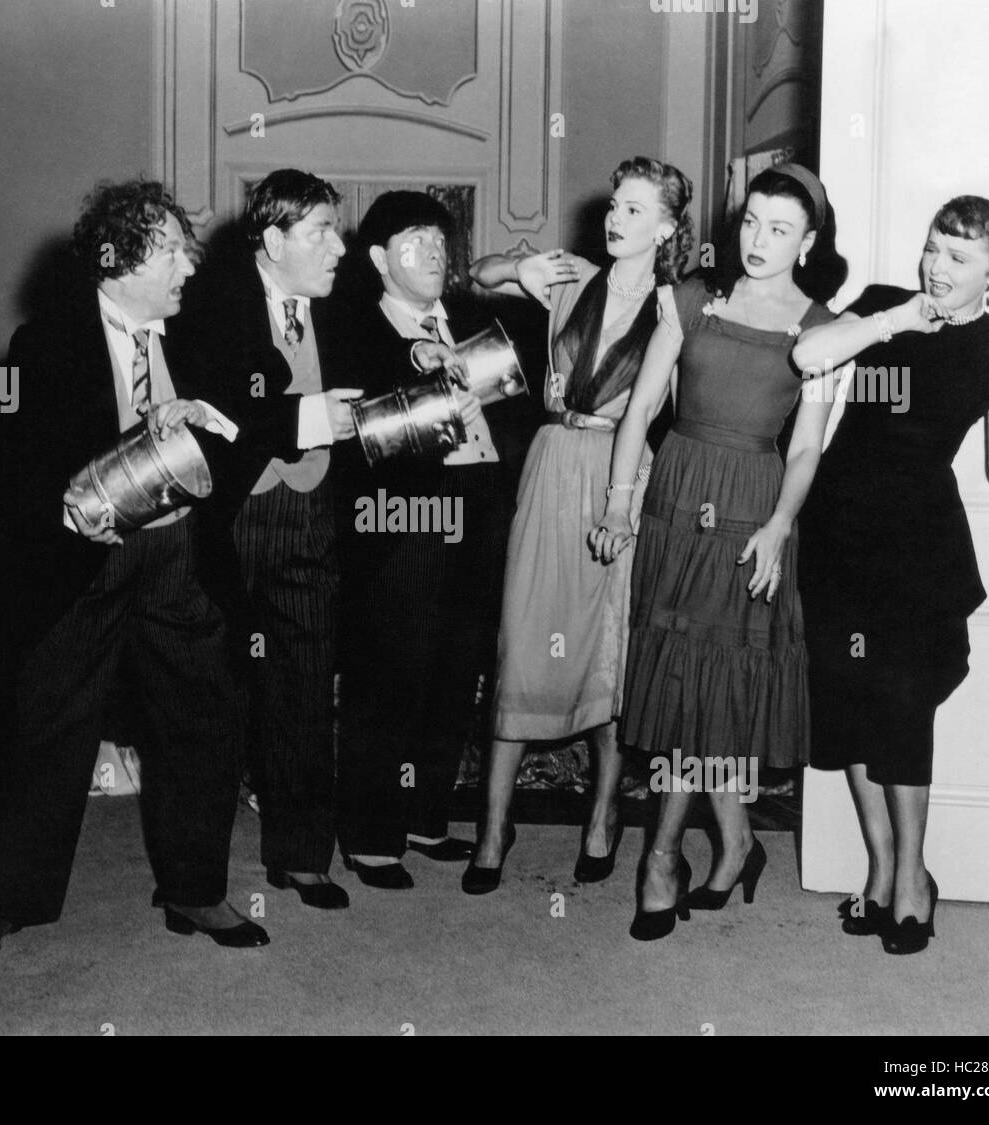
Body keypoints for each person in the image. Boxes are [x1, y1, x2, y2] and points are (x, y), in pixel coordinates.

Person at [0, 180, 267, 958]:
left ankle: (196, 890)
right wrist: (69, 509)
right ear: (114, 259)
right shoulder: (45, 346)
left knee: (202, 717)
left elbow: (256, 408)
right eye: (172, 252)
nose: (189, 266)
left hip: (182, 555)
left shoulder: (201, 338)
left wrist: (207, 418)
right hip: (83, 560)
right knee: (45, 719)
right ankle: (5, 898)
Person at [590, 163, 847, 940]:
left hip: (753, 510)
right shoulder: (691, 298)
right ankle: (735, 841)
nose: (759, 239)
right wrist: (619, 503)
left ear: (808, 242)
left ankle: (660, 856)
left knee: (713, 683)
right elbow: (641, 409)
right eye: (752, 222)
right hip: (677, 497)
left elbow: (807, 448)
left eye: (781, 229)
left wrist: (779, 525)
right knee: (683, 677)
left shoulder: (821, 328)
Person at [793, 195, 989, 954]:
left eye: (958, 257)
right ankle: (879, 869)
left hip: (916, 544)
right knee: (846, 699)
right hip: (838, 529)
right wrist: (894, 319)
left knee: (902, 703)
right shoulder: (883, 305)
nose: (937, 266)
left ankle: (912, 877)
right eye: (933, 247)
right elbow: (809, 357)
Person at [464, 156, 694, 893]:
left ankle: (603, 815)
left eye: (635, 210)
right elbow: (476, 275)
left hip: (624, 477)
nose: (615, 219)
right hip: (553, 459)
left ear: (667, 228)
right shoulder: (571, 277)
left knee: (609, 646)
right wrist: (520, 266)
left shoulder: (676, 309)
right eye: (615, 205)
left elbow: (688, 407)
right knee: (524, 631)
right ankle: (493, 825)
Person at [189, 170, 363, 910]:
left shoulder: (340, 305)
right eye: (321, 231)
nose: (338, 248)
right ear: (272, 239)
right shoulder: (211, 303)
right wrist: (312, 418)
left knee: (305, 681)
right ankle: (195, 881)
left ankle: (302, 856)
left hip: (312, 510)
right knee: (214, 691)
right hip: (231, 516)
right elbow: (227, 409)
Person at [333, 190, 514, 889]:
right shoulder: (356, 325)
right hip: (403, 515)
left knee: (455, 669)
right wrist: (428, 378)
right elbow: (360, 427)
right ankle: (370, 834)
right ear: (380, 259)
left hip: (480, 507)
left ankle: (424, 814)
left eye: (441, 241)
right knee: (390, 671)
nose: (436, 253)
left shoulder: (469, 318)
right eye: (416, 241)